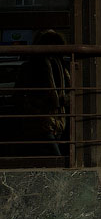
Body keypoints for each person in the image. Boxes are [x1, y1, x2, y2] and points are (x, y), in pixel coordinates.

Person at [15, 29, 70, 157]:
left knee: (52, 155)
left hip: (57, 120)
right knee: (54, 156)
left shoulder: (60, 66)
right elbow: (20, 96)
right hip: (43, 121)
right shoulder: (33, 67)